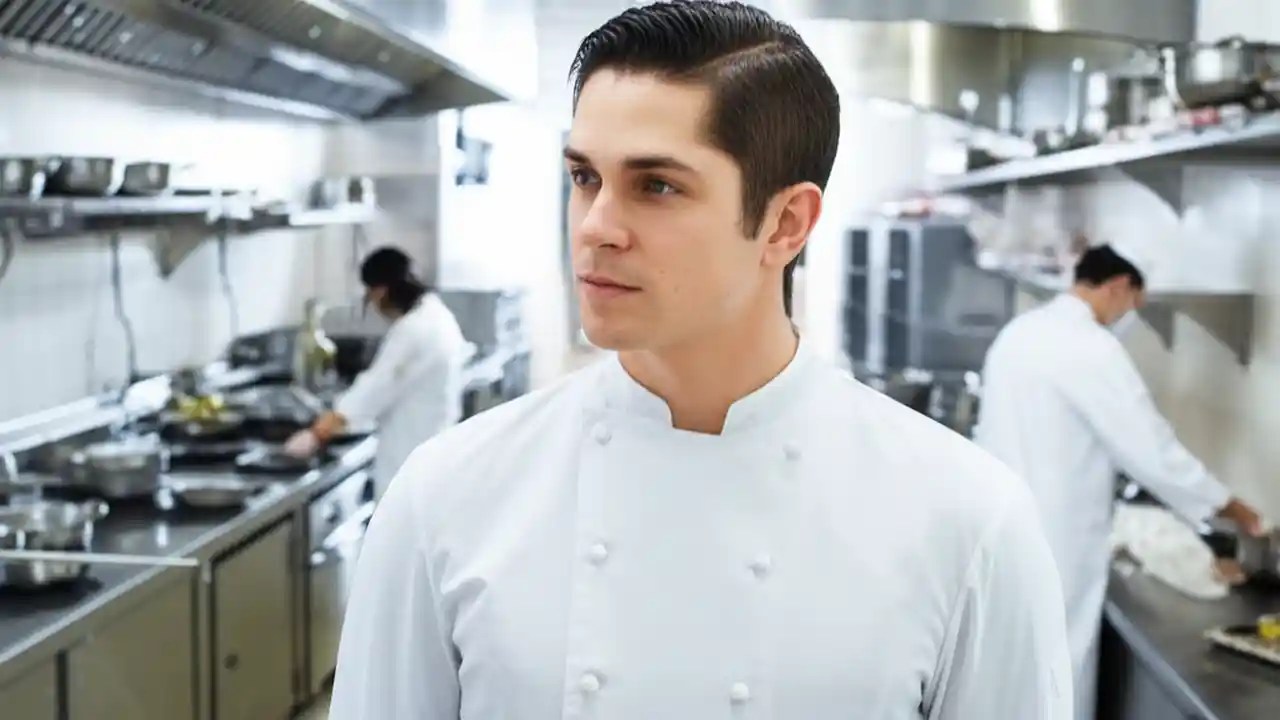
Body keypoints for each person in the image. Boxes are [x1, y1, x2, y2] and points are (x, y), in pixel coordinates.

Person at [329, 3, 1072, 718]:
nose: (595, 227)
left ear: (786, 224)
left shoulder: (969, 525)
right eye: (585, 177)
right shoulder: (445, 498)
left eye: (656, 186)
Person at [975, 242, 1266, 720]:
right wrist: (1236, 510)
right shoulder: (1090, 348)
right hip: (1058, 539)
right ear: (1118, 286)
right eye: (1135, 302)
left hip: (1003, 528)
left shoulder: (1021, 332)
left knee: (1008, 668)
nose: (1130, 314)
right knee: (1056, 668)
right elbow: (1153, 451)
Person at [283, 246, 471, 498]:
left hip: (412, 462)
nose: (372, 303)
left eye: (369, 295)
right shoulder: (436, 314)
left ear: (381, 291)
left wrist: (315, 435)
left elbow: (372, 391)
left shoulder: (414, 331)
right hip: (432, 452)